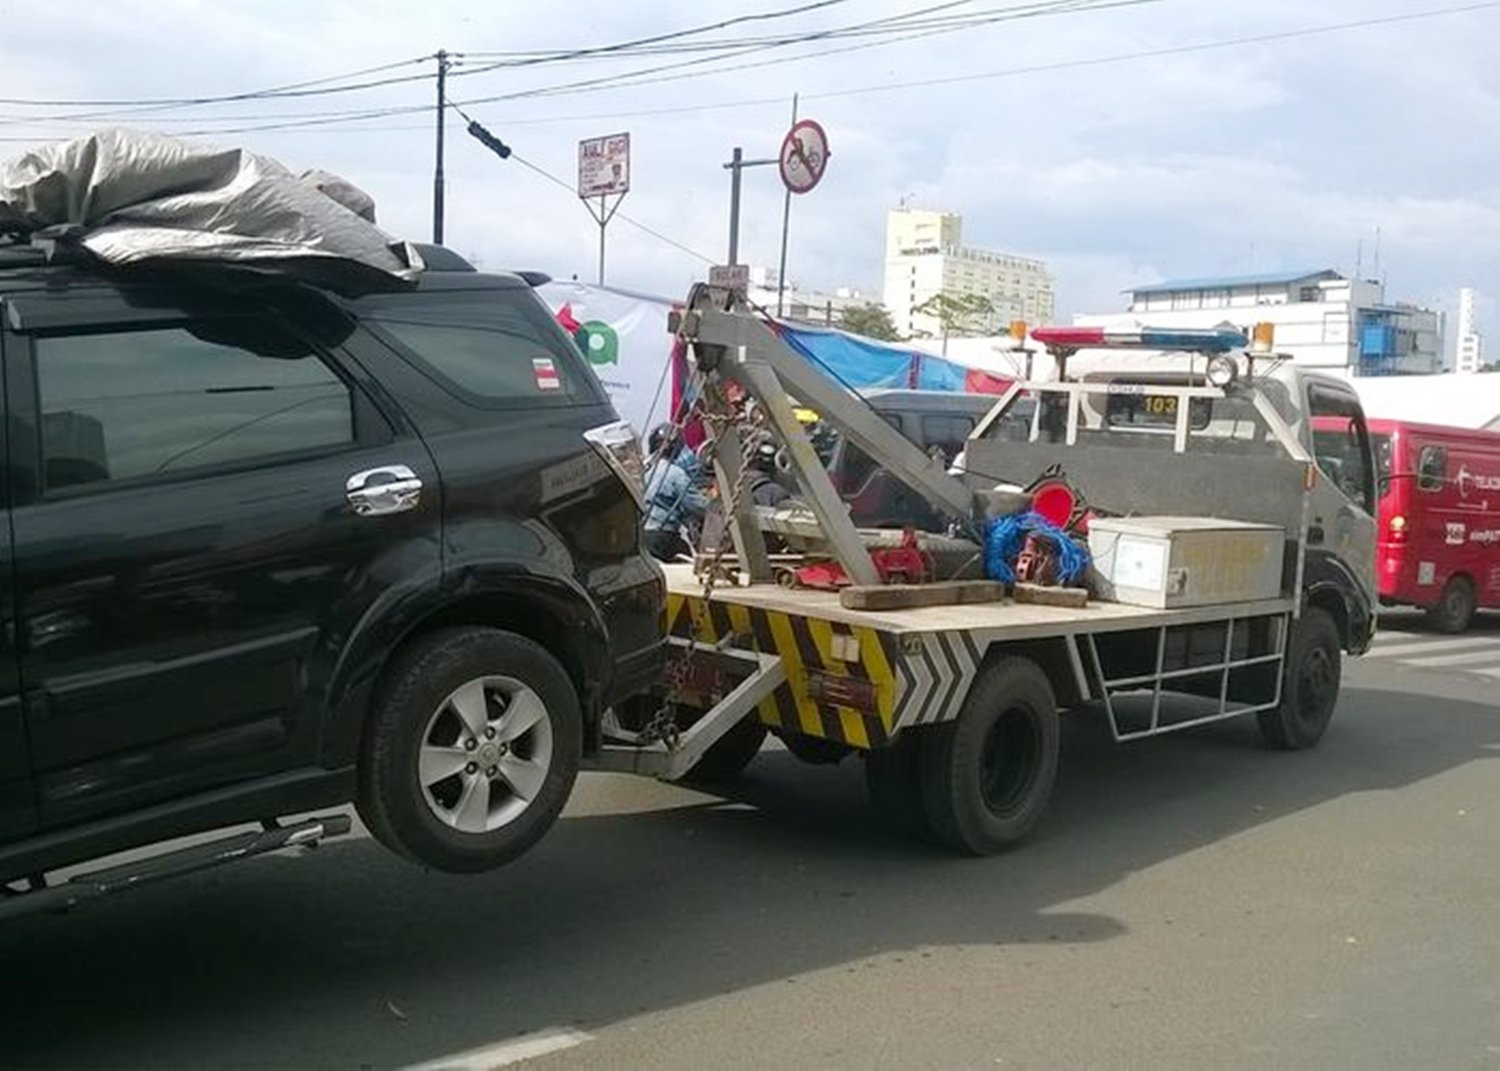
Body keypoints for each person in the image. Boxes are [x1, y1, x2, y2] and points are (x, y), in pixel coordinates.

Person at [643, 423, 709, 561]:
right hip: (664, 536)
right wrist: (717, 507)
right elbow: (696, 506)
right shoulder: (676, 474)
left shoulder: (642, 471)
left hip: (642, 536)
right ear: (676, 447)